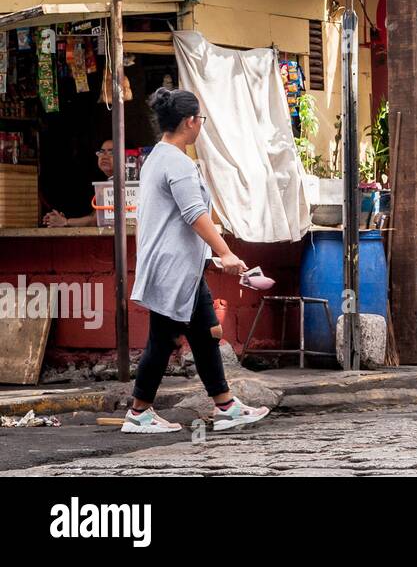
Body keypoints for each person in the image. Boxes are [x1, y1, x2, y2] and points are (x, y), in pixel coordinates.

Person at [123, 88, 270, 433]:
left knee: (205, 335)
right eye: (200, 119)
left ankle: (226, 406)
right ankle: (139, 412)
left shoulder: (157, 157)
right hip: (176, 267)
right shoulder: (177, 162)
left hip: (180, 266)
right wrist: (226, 253)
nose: (200, 125)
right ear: (190, 122)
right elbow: (194, 214)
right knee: (164, 338)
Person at [43, 138, 117, 227]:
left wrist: (65, 222)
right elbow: (94, 216)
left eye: (111, 153)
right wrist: (60, 220)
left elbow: (95, 221)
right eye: (101, 152)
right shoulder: (109, 182)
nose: (104, 156)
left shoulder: (121, 184)